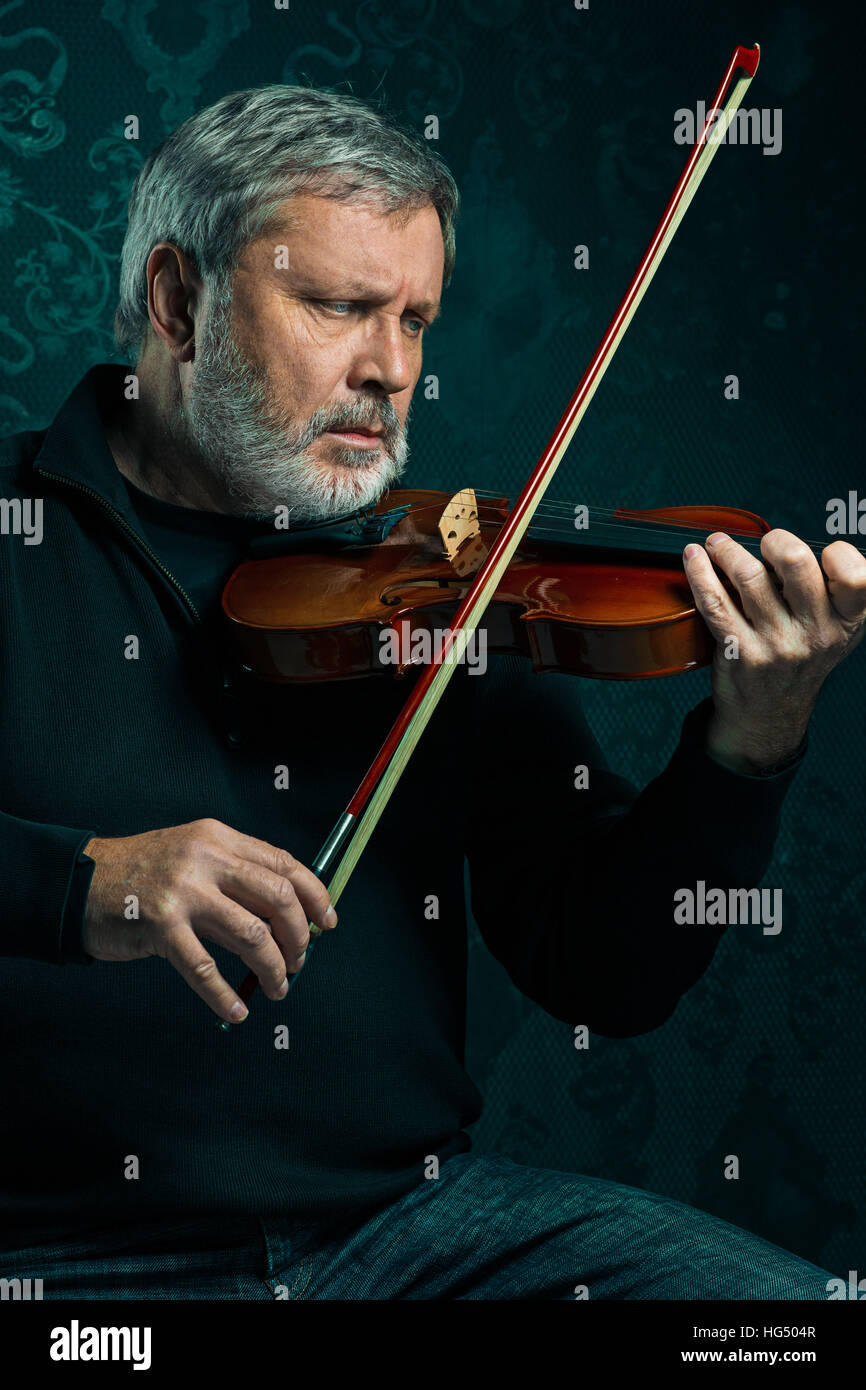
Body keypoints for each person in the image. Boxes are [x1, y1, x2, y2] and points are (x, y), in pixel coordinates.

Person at [0, 85, 862, 1301]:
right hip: (62, 1264)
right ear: (177, 299)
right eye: (339, 307)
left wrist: (749, 740)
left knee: (784, 1329)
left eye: (415, 320)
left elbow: (603, 971)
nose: (391, 369)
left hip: (411, 1240)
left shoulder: (439, 587)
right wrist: (81, 881)